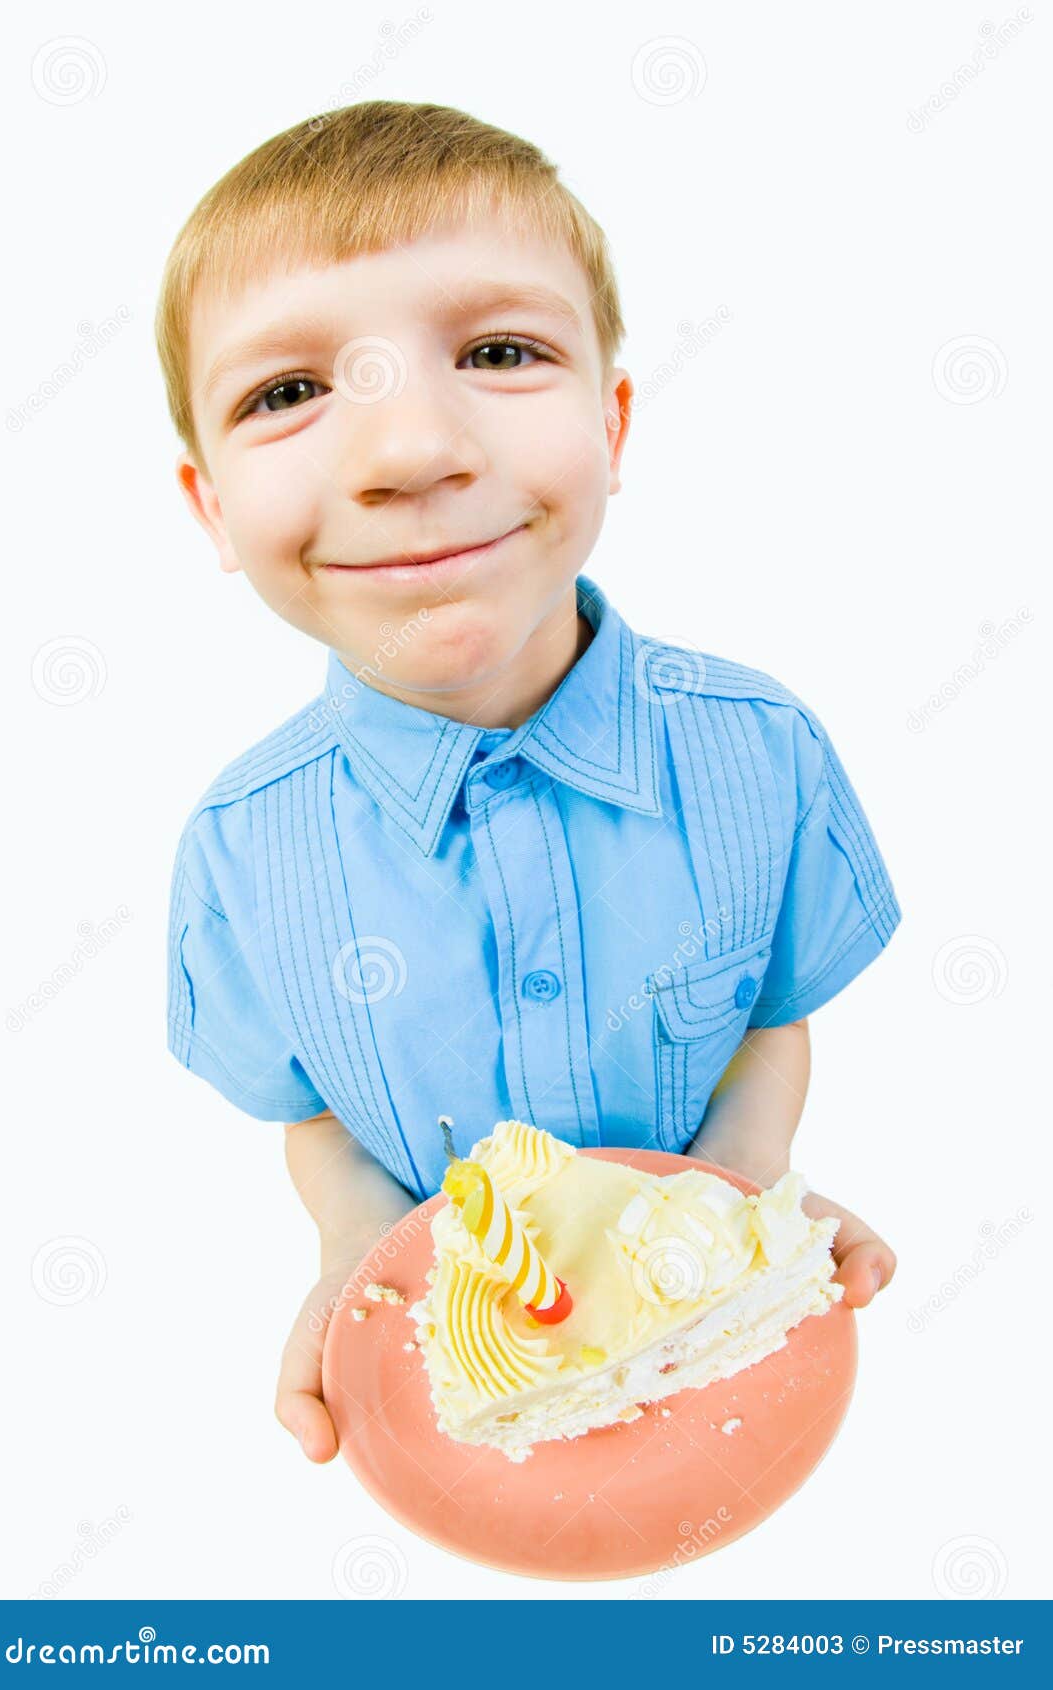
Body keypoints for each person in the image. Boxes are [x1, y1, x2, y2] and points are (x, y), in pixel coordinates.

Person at [159, 100, 901, 1464]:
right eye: (289, 392)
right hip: (454, 1384)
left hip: (714, 1374)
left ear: (614, 424)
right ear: (211, 507)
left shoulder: (760, 755)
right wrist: (352, 1249)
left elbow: (767, 1020)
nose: (410, 453)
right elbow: (313, 1108)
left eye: (500, 351)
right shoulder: (242, 853)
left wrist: (745, 1206)